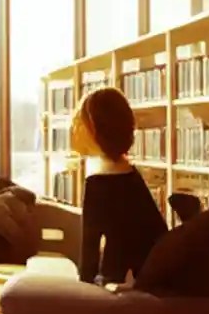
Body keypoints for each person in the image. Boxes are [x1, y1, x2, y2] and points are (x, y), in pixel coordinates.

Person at [71, 88, 168, 286]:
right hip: (149, 275)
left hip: (121, 283)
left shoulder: (97, 183)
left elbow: (88, 256)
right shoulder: (131, 175)